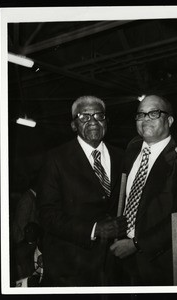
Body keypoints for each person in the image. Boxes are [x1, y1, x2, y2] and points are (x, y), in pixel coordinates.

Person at [110, 94, 177, 286]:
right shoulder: (131, 152)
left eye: (154, 113)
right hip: (121, 259)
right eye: (140, 114)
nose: (145, 118)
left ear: (169, 120)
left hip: (159, 264)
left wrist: (137, 244)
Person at [37, 95, 127, 287]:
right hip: (71, 267)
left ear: (106, 121)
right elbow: (47, 215)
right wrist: (94, 229)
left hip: (113, 266)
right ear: (73, 125)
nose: (93, 121)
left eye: (98, 116)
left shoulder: (122, 156)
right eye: (84, 116)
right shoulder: (55, 158)